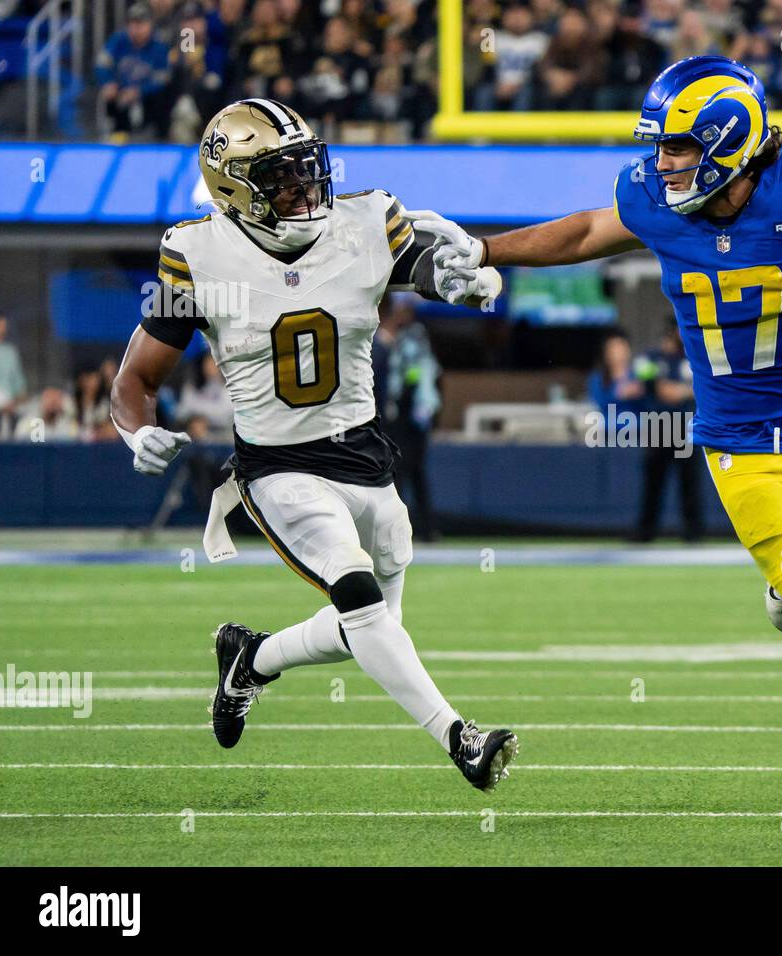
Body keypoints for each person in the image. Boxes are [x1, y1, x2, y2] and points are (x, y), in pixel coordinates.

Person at [422, 55, 782, 825]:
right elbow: (587, 229)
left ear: (730, 143)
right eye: (660, 146)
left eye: (679, 147)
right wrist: (487, 250)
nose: (663, 163)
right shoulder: (654, 199)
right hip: (742, 453)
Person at [109, 98, 516, 792]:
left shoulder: (365, 220)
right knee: (359, 600)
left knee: (371, 624)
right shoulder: (198, 253)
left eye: (308, 170)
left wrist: (464, 280)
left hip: (364, 455)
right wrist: (135, 427)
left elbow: (428, 270)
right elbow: (137, 377)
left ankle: (253, 658)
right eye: (283, 177)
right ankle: (460, 737)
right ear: (236, 188)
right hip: (277, 467)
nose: (307, 189)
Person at [373, 294, 442, 542]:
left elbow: (417, 378)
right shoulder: (395, 340)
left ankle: (412, 529)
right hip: (405, 414)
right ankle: (420, 528)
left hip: (408, 414)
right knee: (407, 472)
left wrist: (415, 404)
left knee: (404, 472)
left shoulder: (413, 340)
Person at [633, 322, 702, 543]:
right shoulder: (651, 357)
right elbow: (656, 387)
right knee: (653, 481)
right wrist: (682, 390)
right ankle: (645, 531)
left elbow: (699, 388)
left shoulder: (692, 357)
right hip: (659, 424)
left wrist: (679, 391)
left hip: (686, 425)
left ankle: (693, 532)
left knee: (689, 481)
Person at [95, 3, 171, 138]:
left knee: (161, 97)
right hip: (121, 94)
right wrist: (108, 82)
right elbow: (101, 64)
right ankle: (114, 135)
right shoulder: (119, 40)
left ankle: (157, 138)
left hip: (148, 99)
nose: (137, 29)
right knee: (110, 95)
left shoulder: (159, 44)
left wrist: (139, 91)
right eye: (133, 24)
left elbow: (163, 78)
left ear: (150, 25)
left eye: (141, 24)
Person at [0, 308, 27, 438]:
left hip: (6, 416)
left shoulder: (9, 353)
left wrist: (14, 405)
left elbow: (20, 388)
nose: (2, 331)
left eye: (4, 327)